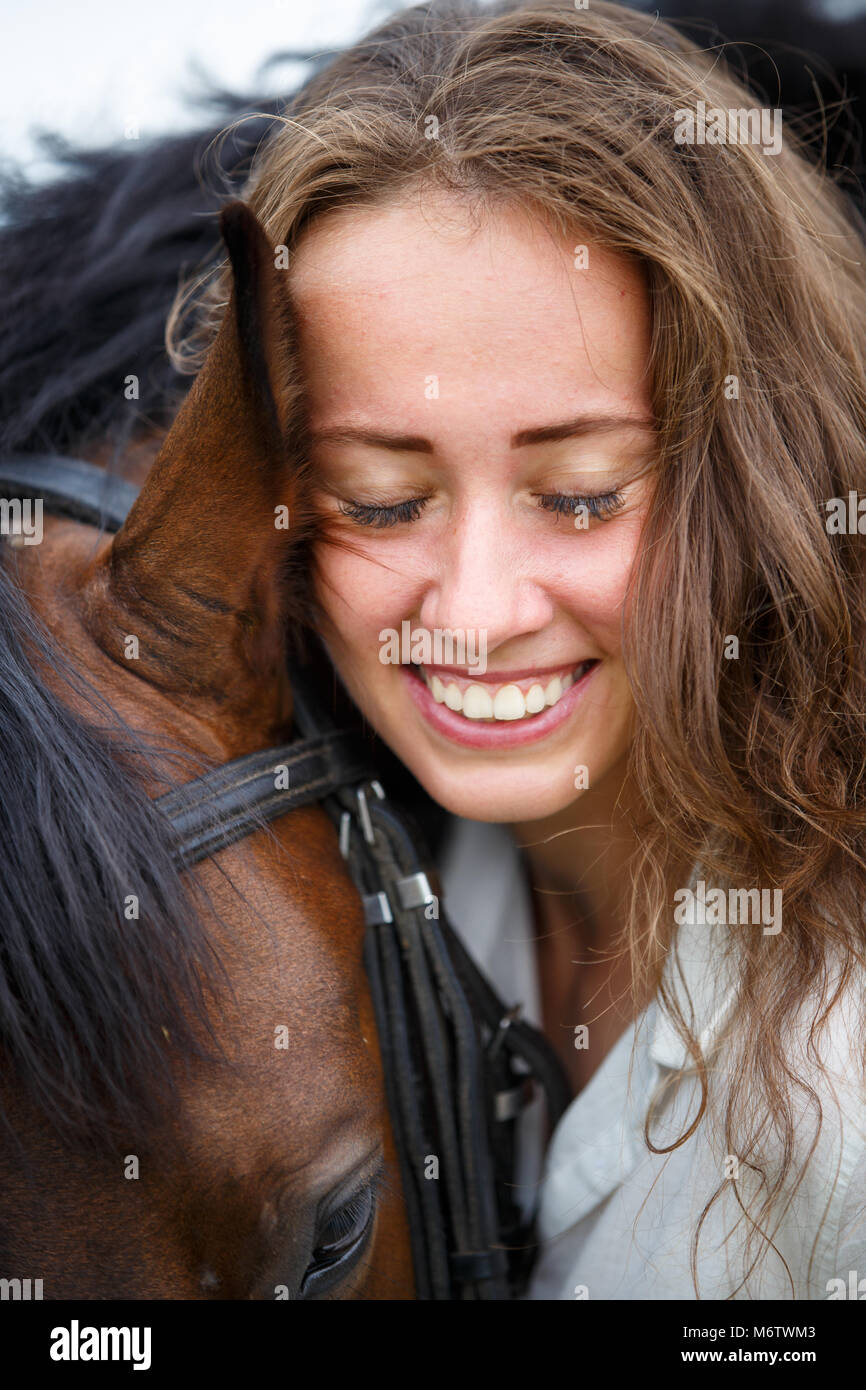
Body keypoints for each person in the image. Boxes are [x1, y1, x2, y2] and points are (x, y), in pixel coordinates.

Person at [170, 0, 866, 1299]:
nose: (477, 612)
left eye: (583, 491)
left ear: (759, 479)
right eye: (376, 499)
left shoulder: (843, 1116)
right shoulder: (322, 871)